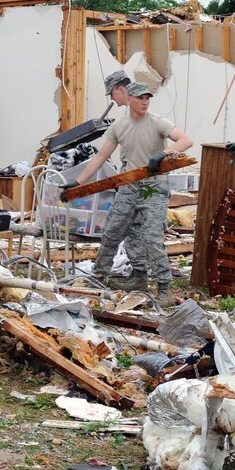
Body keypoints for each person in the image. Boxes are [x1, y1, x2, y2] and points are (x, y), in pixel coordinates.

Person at [63, 82, 192, 306]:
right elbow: (100, 157)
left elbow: (185, 140)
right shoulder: (119, 126)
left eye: (147, 98)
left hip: (154, 187)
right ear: (129, 99)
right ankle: (103, 276)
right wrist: (78, 181)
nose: (145, 102)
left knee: (151, 237)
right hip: (129, 186)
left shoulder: (158, 122)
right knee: (113, 230)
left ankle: (165, 290)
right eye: (140, 98)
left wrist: (164, 153)